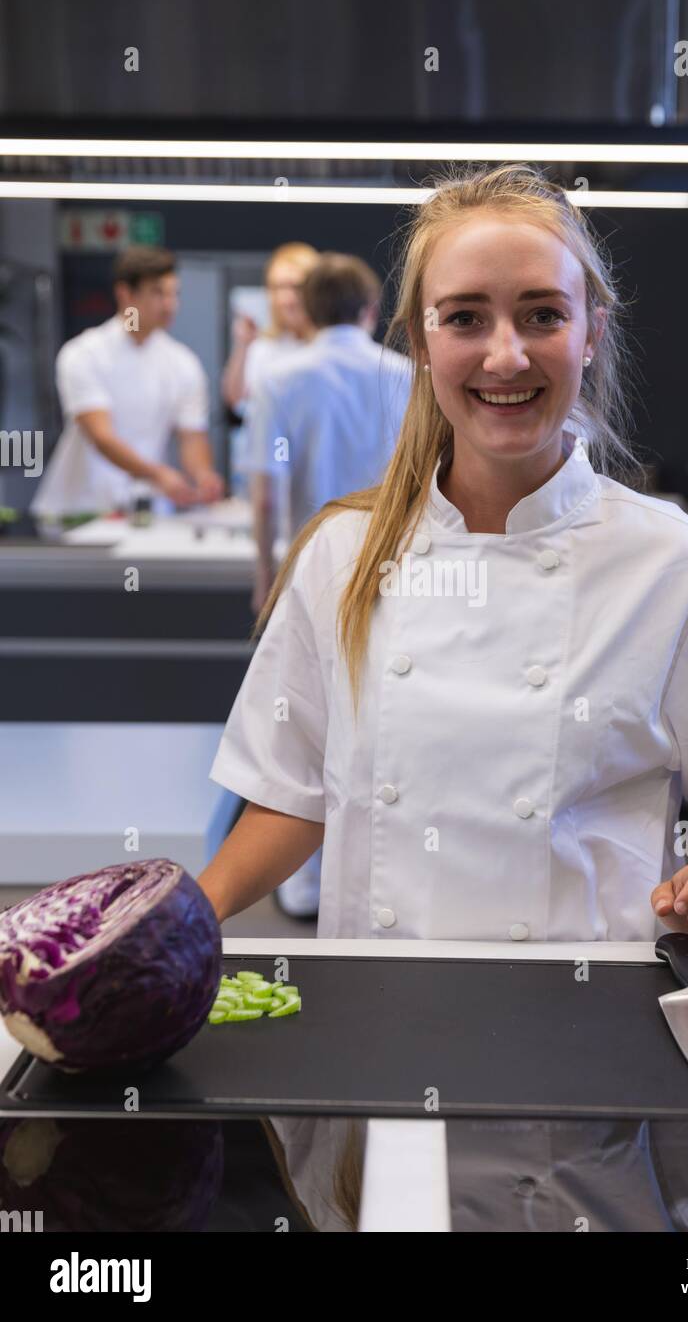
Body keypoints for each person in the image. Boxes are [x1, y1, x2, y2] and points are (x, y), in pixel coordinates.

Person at [200, 164, 688, 950]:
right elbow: (290, 794)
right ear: (420, 342)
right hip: (380, 1004)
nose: (505, 357)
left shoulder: (676, 565)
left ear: (591, 331)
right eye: (463, 318)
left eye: (541, 315)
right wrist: (184, 912)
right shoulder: (341, 557)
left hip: (594, 1009)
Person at [244, 252, 412, 918]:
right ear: (371, 311)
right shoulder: (406, 376)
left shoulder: (280, 378)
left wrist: (264, 577)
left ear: (306, 312)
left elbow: (265, 492)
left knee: (302, 730)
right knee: (379, 728)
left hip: (309, 569)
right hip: (400, 566)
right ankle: (378, 883)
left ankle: (305, 881)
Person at [31, 246, 223, 518]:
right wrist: (158, 474)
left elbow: (192, 436)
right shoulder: (84, 354)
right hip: (78, 510)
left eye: (174, 293)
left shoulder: (183, 363)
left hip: (145, 512)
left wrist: (203, 476)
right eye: (158, 293)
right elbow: (102, 437)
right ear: (125, 294)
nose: (170, 304)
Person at [220, 241, 319, 418]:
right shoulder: (262, 348)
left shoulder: (328, 346)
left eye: (295, 287)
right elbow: (235, 401)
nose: (286, 299)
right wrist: (242, 347)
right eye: (277, 288)